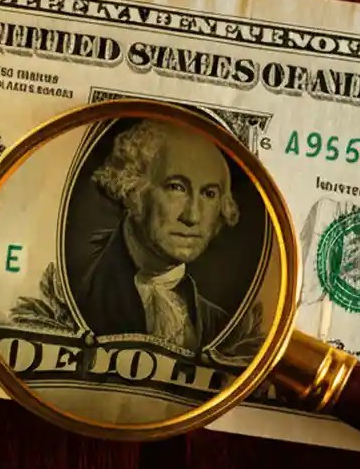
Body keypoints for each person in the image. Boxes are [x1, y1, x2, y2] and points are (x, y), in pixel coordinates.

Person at [72, 120, 241, 360]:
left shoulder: (219, 322)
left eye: (209, 194)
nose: (192, 216)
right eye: (176, 188)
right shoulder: (80, 291)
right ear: (133, 189)